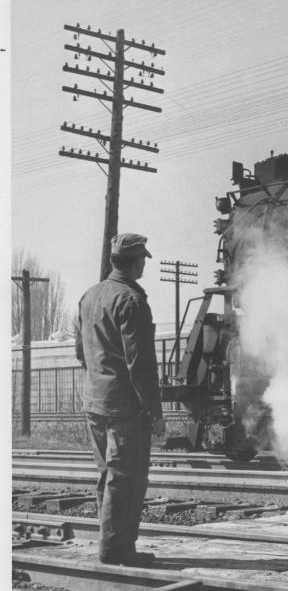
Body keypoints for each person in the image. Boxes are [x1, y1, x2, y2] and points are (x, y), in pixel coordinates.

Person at [75, 233, 166, 567]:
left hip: (95, 403)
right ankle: (117, 550)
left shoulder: (89, 296)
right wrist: (154, 412)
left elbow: (81, 353)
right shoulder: (131, 301)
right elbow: (140, 365)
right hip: (125, 408)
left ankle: (111, 544)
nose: (144, 265)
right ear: (136, 262)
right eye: (143, 259)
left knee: (108, 476)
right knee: (127, 478)